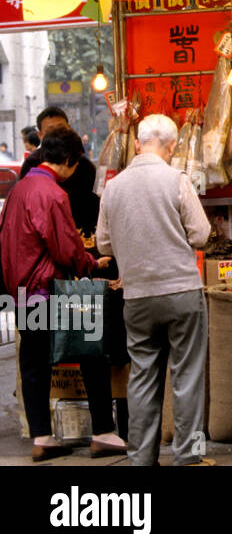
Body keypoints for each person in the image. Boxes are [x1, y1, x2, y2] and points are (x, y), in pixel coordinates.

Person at [0, 129, 126, 461]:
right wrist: (91, 263)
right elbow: (67, 249)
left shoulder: (18, 191)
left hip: (25, 292)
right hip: (54, 289)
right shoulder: (52, 194)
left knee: (33, 364)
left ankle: (42, 437)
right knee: (92, 352)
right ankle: (103, 432)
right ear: (69, 161)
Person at [95, 114, 212, 466]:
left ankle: (141, 458)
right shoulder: (177, 179)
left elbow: (102, 244)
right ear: (172, 145)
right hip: (182, 292)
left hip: (138, 297)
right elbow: (202, 234)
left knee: (143, 376)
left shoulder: (114, 187)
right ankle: (188, 457)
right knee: (188, 377)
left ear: (137, 143)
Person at [21, 106, 100, 234]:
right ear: (40, 135)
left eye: (61, 128)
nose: (57, 135)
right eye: (50, 131)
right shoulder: (31, 165)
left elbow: (92, 203)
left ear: (69, 129)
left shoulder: (85, 166)